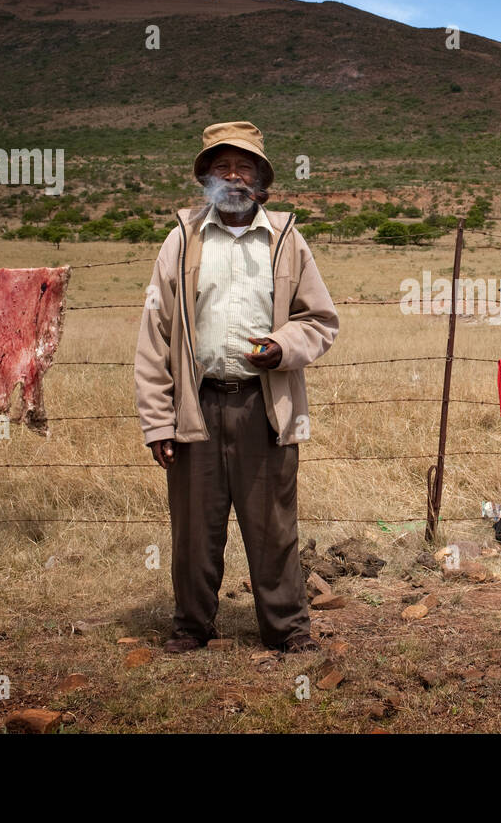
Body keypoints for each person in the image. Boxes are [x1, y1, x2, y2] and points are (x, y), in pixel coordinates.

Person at [134, 120, 339, 654]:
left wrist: (282, 346)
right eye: (221, 167)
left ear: (261, 179)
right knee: (194, 531)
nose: (233, 177)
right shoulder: (180, 241)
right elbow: (154, 337)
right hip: (194, 405)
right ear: (205, 177)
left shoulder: (287, 241)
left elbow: (319, 320)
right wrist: (158, 421)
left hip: (263, 404)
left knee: (273, 527)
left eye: (243, 167)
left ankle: (287, 630)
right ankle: (191, 627)